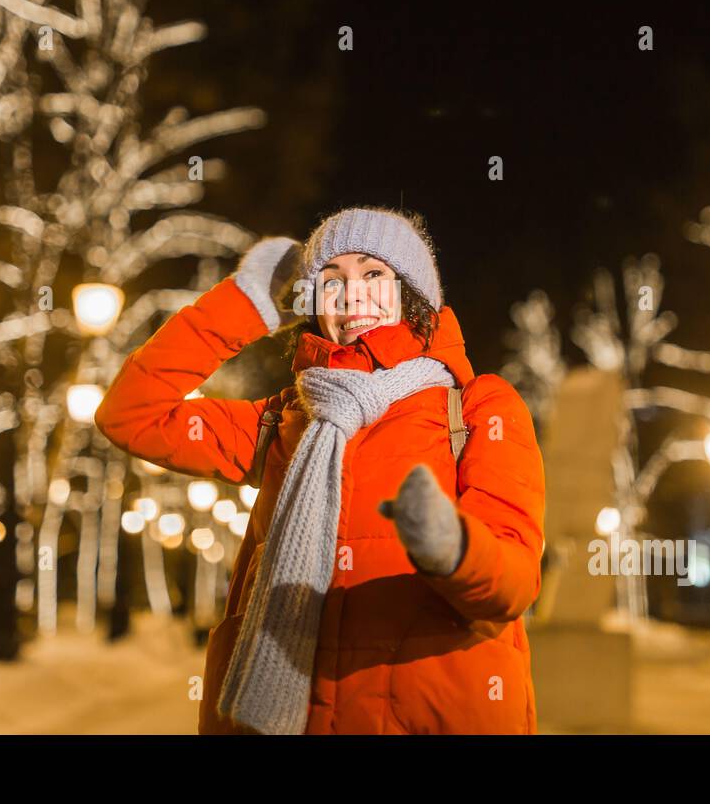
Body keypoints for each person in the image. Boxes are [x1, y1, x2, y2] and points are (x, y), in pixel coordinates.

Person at [95, 206, 546, 734]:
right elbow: (131, 414)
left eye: (374, 273)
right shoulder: (284, 421)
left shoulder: (475, 410)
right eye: (330, 281)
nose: (352, 295)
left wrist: (453, 548)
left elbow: (512, 583)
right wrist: (247, 304)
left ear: (414, 296)